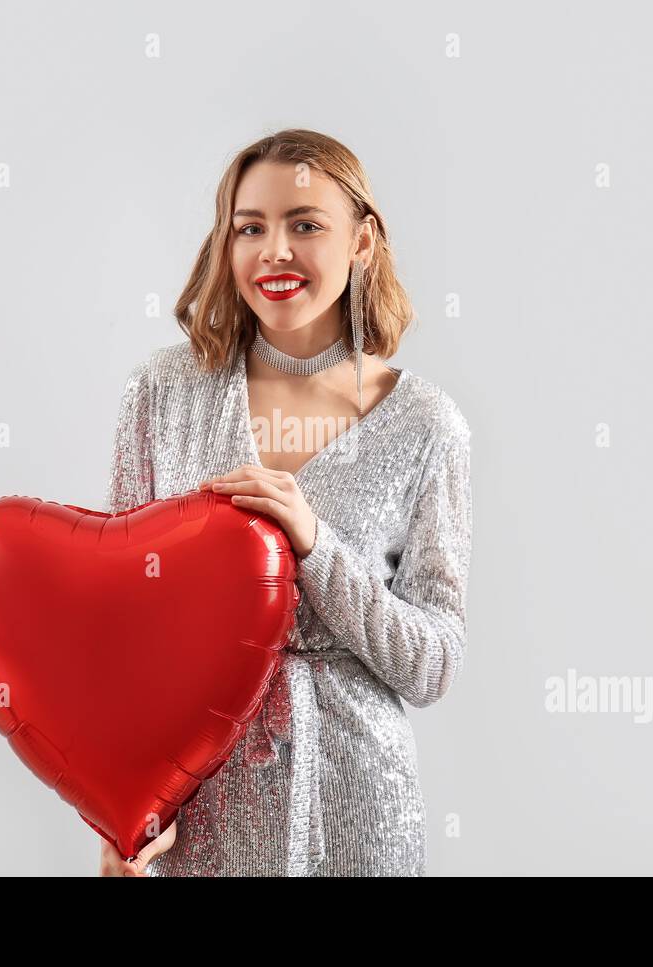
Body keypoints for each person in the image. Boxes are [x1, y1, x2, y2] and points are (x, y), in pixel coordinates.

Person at [98, 128, 472, 876]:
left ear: (363, 240)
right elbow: (122, 631)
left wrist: (316, 544)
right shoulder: (162, 396)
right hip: (204, 804)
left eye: (305, 224)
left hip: (357, 805)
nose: (274, 251)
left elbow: (432, 663)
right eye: (250, 227)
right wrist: (118, 810)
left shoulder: (426, 425)